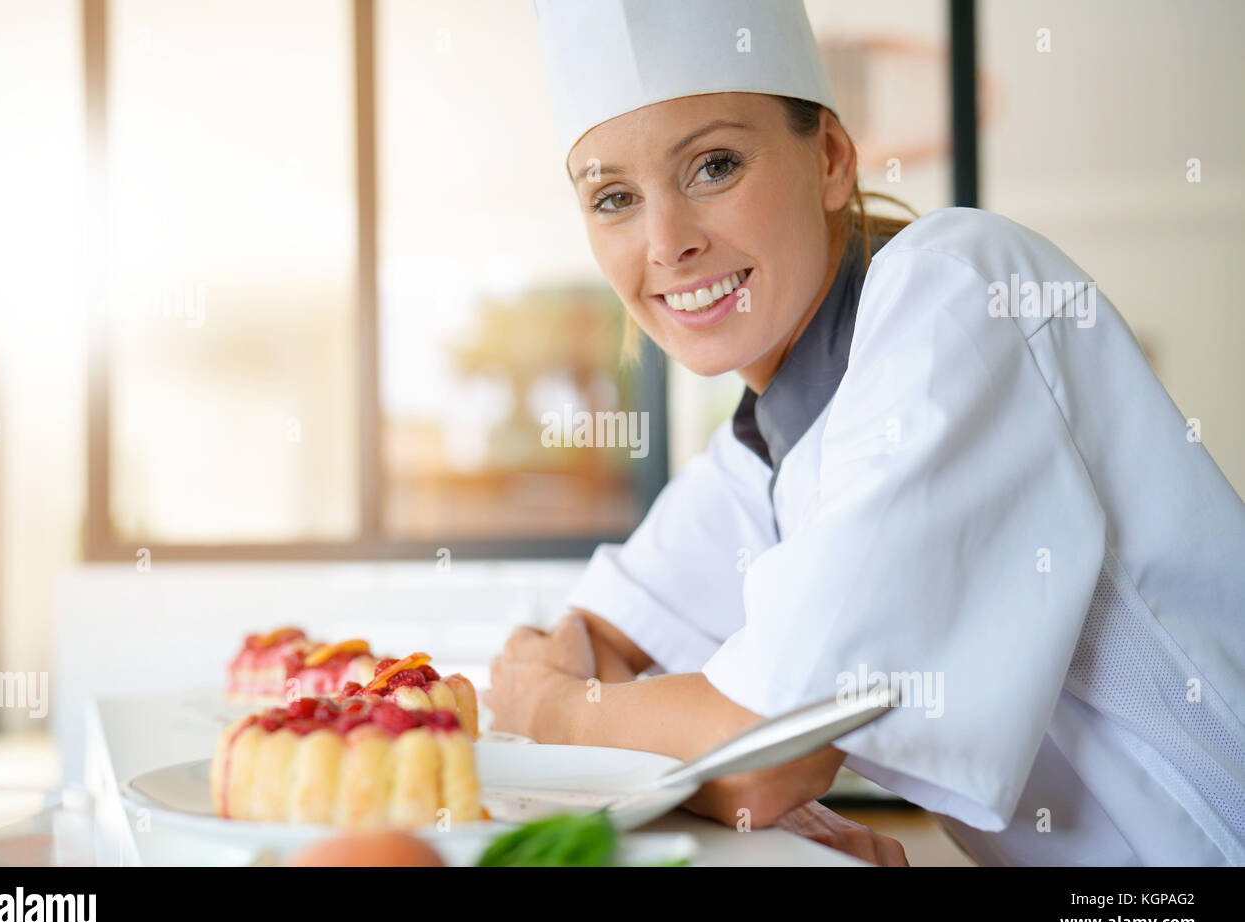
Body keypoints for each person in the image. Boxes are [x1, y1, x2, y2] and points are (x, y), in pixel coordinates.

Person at [484, 0, 1245, 867]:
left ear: (833, 160)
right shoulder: (765, 447)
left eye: (714, 165)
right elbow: (588, 641)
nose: (667, 242)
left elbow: (765, 751)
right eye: (614, 197)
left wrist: (561, 711)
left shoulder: (956, 293)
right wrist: (734, 784)